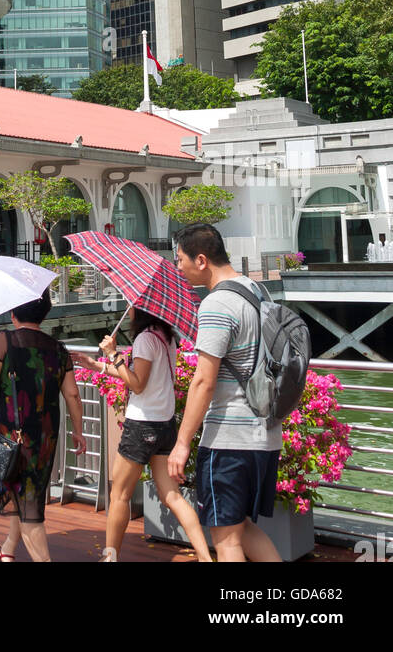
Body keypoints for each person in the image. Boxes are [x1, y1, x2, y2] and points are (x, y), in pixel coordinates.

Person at [168, 223, 282, 563]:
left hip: (229, 441)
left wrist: (182, 442)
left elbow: (203, 381)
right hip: (266, 435)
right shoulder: (257, 290)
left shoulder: (217, 304)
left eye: (181, 259)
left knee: (227, 540)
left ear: (201, 260)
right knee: (242, 528)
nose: (179, 267)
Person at [75, 308, 212, 562]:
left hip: (141, 426)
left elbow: (137, 384)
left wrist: (113, 353)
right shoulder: (165, 336)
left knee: (119, 495)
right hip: (165, 425)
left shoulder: (144, 339)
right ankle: (205, 557)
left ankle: (110, 557)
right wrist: (97, 366)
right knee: (172, 496)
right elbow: (140, 377)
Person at [0, 287, 85, 563]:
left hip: (11, 435)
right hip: (44, 437)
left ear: (13, 314)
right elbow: (72, 393)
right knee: (23, 492)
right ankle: (9, 550)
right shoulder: (59, 349)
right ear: (44, 313)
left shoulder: (5, 340)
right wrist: (79, 431)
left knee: (29, 507)